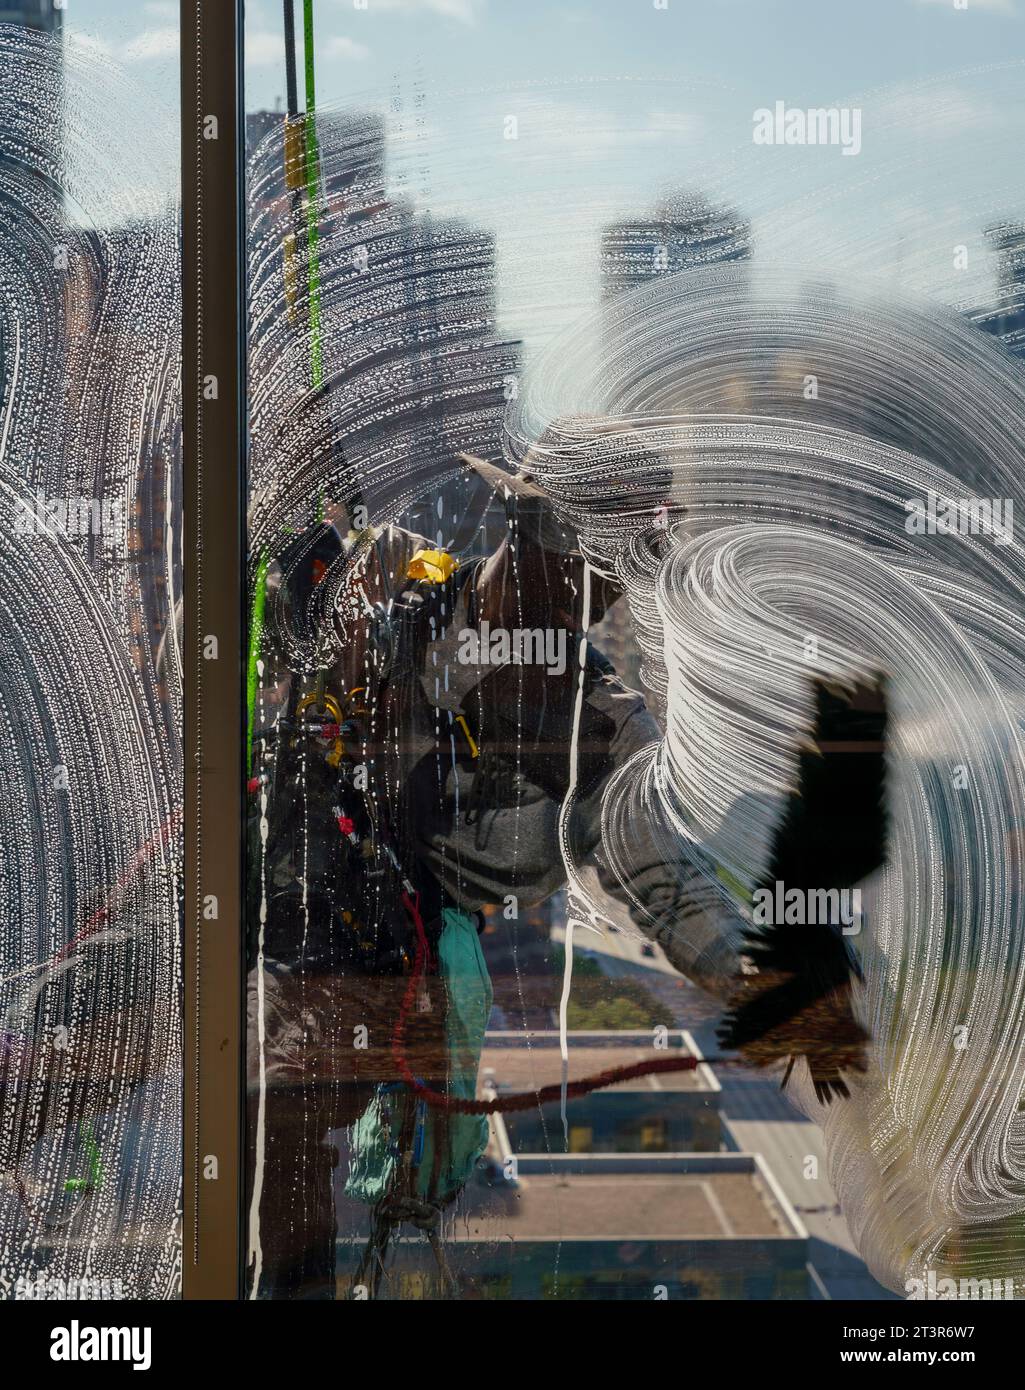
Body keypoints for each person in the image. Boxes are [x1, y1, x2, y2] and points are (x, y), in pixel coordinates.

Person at [245, 450, 886, 1299]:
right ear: (521, 538)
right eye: (561, 564)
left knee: (300, 1149)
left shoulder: (593, 722)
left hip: (375, 960)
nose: (573, 597)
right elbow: (272, 610)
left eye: (595, 582)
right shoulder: (394, 580)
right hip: (268, 891)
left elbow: (661, 875)